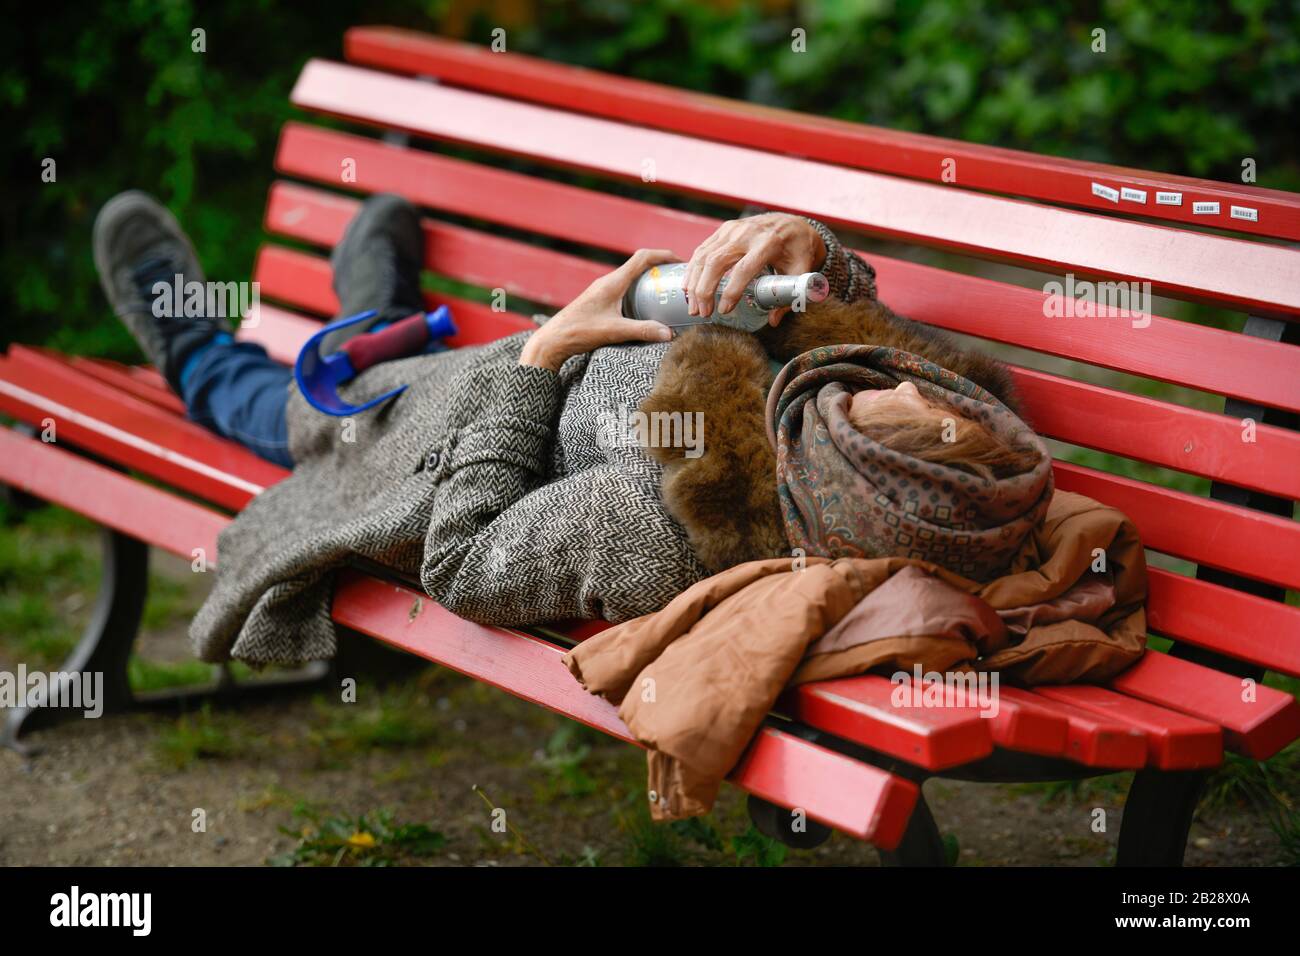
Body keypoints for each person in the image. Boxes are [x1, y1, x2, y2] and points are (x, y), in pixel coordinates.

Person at [92, 190, 1042, 665]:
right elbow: (863, 334)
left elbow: (460, 563)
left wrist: (538, 359)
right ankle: (377, 301)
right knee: (382, 357)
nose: (847, 381)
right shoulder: (912, 449)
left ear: (833, 478)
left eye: (854, 409)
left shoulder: (656, 518)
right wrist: (811, 249)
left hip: (411, 446)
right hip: (494, 364)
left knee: (269, 405)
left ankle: (189, 345)